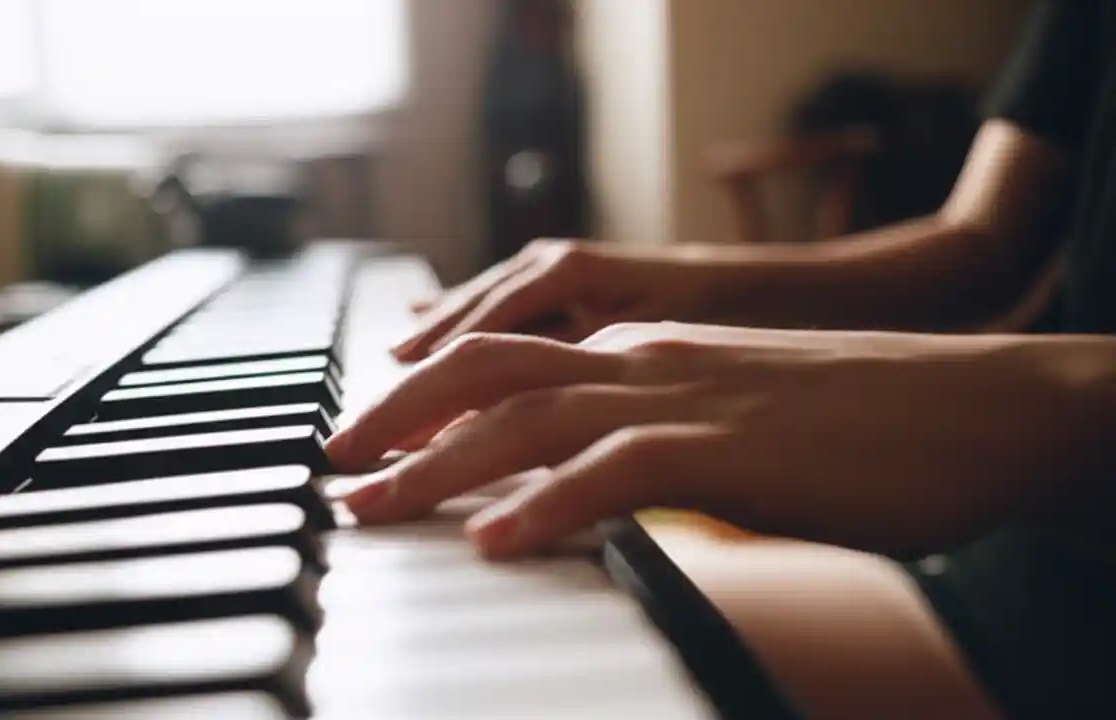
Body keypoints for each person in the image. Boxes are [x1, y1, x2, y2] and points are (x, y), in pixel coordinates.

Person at [328, 2, 1116, 718]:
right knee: (461, 618)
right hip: (1008, 584)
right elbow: (980, 245)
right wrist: (686, 280)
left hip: (1072, 657)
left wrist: (998, 407)